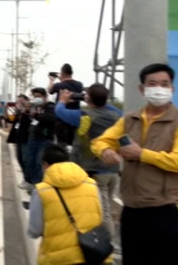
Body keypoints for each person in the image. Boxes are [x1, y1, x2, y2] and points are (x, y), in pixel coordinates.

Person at [91, 63, 178, 265]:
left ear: (172, 89)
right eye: (153, 84)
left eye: (164, 84)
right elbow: (100, 141)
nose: (159, 88)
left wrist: (142, 154)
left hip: (165, 209)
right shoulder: (130, 120)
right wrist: (105, 150)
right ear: (142, 89)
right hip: (132, 208)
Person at [55, 85, 122, 239]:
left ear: (89, 98)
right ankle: (99, 239)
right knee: (106, 207)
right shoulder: (117, 114)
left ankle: (108, 245)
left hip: (94, 171)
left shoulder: (85, 115)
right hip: (112, 170)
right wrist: (98, 99)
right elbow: (106, 106)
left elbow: (60, 111)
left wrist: (63, 100)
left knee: (101, 211)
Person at [27, 144, 112, 265]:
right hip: (94, 254)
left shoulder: (41, 191)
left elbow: (34, 230)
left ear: (45, 165)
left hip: (58, 259)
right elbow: (100, 217)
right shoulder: (92, 184)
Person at [24, 87, 56, 191]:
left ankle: (38, 185)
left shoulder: (50, 107)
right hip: (33, 137)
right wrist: (28, 111)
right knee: (30, 160)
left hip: (44, 139)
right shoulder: (35, 107)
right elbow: (31, 119)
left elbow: (49, 118)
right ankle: (31, 182)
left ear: (45, 97)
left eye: (38, 96)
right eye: (34, 97)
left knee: (39, 162)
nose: (36, 99)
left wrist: (36, 115)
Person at [49, 64, 84, 144]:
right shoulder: (79, 84)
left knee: (62, 144)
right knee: (73, 142)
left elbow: (50, 91)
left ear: (62, 73)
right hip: (75, 118)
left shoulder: (59, 85)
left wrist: (51, 80)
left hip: (61, 119)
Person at [7, 94, 31, 175]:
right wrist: (8, 110)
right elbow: (10, 121)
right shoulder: (19, 112)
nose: (18, 103)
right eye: (18, 101)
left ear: (26, 100)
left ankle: (29, 178)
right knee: (19, 158)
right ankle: (26, 177)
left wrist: (25, 110)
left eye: (20, 101)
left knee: (25, 159)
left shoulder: (30, 111)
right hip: (18, 138)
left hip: (26, 139)